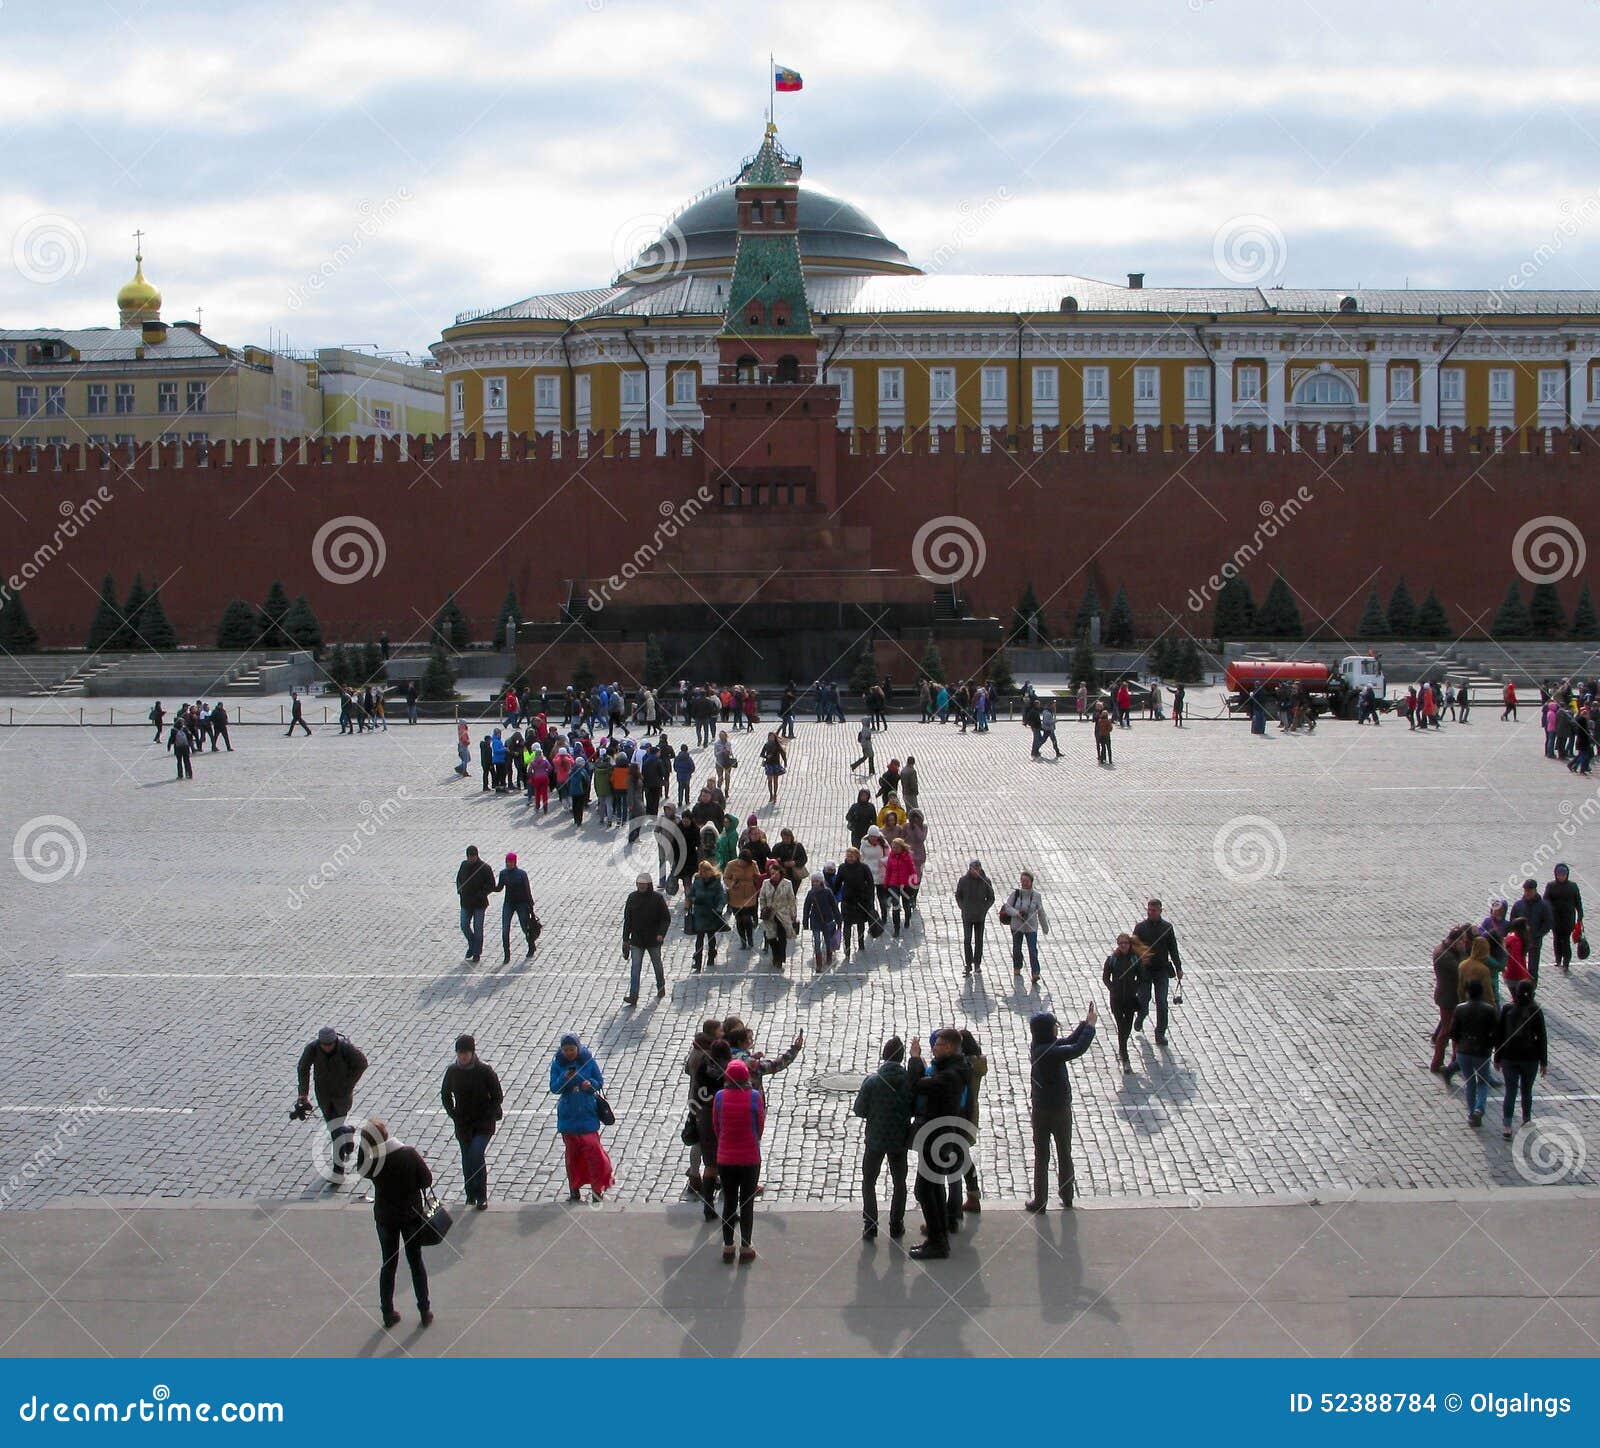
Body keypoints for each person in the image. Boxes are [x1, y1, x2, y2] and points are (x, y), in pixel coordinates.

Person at [357, 1119, 433, 1329]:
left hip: (385, 1217)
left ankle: (387, 1311)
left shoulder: (373, 1163)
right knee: (415, 1261)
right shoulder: (407, 1153)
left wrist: (364, 1148)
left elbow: (360, 1169)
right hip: (411, 1215)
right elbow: (426, 1179)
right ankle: (424, 1309)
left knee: (388, 1264)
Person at [1025, 1004, 1098, 1211]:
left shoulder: (1039, 1046)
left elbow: (1067, 1041)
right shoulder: (1049, 1052)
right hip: (1058, 1109)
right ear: (1049, 1029)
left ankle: (1040, 1201)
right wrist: (1090, 1027)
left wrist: (1084, 1023)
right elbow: (1076, 1048)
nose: (1057, 1028)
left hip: (1040, 1109)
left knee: (1042, 1156)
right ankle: (1066, 1195)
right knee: (1064, 1152)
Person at [905, 1029, 966, 1259]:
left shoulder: (950, 1075)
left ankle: (937, 1242)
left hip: (936, 1135)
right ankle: (938, 1234)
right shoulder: (955, 1068)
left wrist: (914, 1059)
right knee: (934, 1186)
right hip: (940, 1135)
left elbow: (917, 1085)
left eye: (939, 1044)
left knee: (925, 1188)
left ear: (949, 1047)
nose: (935, 1047)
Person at [853, 1036, 912, 1239]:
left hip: (875, 1139)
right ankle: (896, 1224)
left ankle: (870, 1224)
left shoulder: (873, 1081)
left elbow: (859, 1109)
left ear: (884, 1056)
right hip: (899, 1139)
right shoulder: (908, 1080)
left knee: (869, 1181)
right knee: (899, 1182)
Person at [295, 1026, 368, 1181]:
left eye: (330, 1044)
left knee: (335, 1131)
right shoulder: (313, 1048)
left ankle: (338, 1170)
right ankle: (348, 1131)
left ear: (335, 1041)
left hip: (342, 1096)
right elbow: (303, 1067)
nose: (327, 1048)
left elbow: (362, 1063)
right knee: (333, 1128)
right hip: (324, 1095)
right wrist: (303, 1093)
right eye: (324, 1045)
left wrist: (348, 1084)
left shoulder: (346, 1049)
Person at [440, 1033, 503, 1209]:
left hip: (483, 1124)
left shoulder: (484, 1070)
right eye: (460, 1053)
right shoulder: (453, 1071)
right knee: (467, 1159)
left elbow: (497, 1095)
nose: (463, 1056)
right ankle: (470, 1195)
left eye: (466, 1053)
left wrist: (488, 1113)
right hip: (463, 1124)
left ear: (472, 1052)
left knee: (476, 1154)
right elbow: (445, 1095)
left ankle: (481, 1195)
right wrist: (453, 1113)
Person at [713, 1058, 765, 1263]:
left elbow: (716, 1126)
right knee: (747, 1203)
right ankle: (746, 1246)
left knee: (729, 1202)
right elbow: (759, 1125)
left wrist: (725, 1142)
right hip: (750, 1157)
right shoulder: (754, 1097)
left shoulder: (719, 1097)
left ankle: (727, 1246)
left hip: (726, 1158)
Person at [549, 1033, 612, 1202]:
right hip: (568, 1118)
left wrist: (590, 1084)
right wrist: (565, 1078)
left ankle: (597, 1188)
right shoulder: (558, 1065)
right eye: (566, 1050)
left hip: (587, 1115)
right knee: (572, 1157)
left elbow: (599, 1081)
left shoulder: (588, 1062)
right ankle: (574, 1188)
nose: (569, 1053)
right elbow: (555, 1088)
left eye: (571, 1049)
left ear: (578, 1047)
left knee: (594, 1153)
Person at [1495, 979, 1548, 1139]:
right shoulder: (1535, 1010)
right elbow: (1542, 1038)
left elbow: (1500, 1035)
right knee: (1526, 1090)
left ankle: (1507, 1125)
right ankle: (1526, 1120)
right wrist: (1543, 1061)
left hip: (1509, 1057)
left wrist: (1497, 1057)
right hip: (1530, 1057)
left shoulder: (1507, 1009)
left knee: (1510, 1091)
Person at [1132, 898, 1184, 1046]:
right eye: (1149, 910)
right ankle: (1141, 1015)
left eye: (1153, 910)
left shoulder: (1167, 928)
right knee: (1143, 999)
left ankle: (1160, 1033)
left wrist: (1178, 967)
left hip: (1161, 970)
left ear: (1160, 911)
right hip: (1145, 970)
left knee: (1162, 1002)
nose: (1151, 912)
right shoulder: (1140, 928)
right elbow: (1134, 949)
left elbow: (1173, 948)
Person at [1448, 978, 1498, 1128]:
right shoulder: (1489, 1010)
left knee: (1470, 1083)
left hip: (1464, 1051)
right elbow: (1495, 1032)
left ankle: (1471, 1113)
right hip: (1482, 1051)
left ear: (1468, 992)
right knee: (1483, 1082)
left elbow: (1454, 1032)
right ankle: (1479, 1108)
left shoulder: (1460, 1008)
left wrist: (1456, 1050)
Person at [620, 873, 671, 1004]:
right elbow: (628, 920)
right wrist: (625, 939)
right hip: (637, 940)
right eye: (639, 884)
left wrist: (661, 934)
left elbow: (666, 918)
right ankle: (633, 995)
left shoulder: (657, 898)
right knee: (635, 968)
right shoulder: (632, 897)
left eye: (643, 884)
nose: (641, 886)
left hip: (653, 939)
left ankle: (661, 986)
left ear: (648, 885)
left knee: (657, 964)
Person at [1430, 923, 1471, 1073]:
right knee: (1446, 1031)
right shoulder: (1444, 954)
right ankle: (1437, 1062)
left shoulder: (1449, 950)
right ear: (1456, 941)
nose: (1465, 943)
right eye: (1463, 941)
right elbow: (1462, 970)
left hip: (1454, 996)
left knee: (1456, 1031)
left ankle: (1456, 1060)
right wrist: (1463, 953)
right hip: (1448, 997)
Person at [1103, 934, 1146, 1071]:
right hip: (1116, 999)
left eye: (1126, 943)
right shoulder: (1112, 960)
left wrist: (1135, 987)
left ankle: (1122, 1049)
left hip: (1130, 999)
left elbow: (1141, 976)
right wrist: (1112, 988)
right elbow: (1105, 977)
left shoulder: (1135, 959)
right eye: (1121, 943)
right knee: (1121, 1025)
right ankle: (1125, 1056)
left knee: (1127, 1027)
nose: (1123, 945)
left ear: (1129, 944)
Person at [957, 1028, 988, 1215]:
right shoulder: (977, 1064)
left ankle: (970, 1197)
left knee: (961, 1156)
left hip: (960, 1113)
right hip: (971, 1113)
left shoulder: (964, 1066)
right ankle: (972, 1195)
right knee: (963, 1155)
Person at [491, 851, 538, 964]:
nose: (509, 864)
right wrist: (489, 887)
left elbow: (527, 890)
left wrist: (530, 906)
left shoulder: (521, 874)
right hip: (509, 903)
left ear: (515, 862)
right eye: (507, 862)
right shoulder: (503, 874)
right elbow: (499, 887)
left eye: (511, 862)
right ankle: (507, 954)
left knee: (524, 927)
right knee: (505, 928)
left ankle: (531, 945)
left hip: (521, 903)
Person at [1002, 870, 1048, 983]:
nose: (1024, 883)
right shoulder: (1016, 894)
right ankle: (1017, 966)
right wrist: (1016, 913)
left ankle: (1035, 972)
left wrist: (1045, 927)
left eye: (1026, 881)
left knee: (1032, 950)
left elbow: (1041, 912)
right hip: (1017, 926)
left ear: (1031, 882)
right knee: (1017, 948)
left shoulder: (1037, 896)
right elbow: (1007, 907)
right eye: (1022, 881)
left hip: (1031, 927)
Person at [454, 845, 495, 965]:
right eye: (469, 857)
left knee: (478, 928)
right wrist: (459, 889)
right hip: (466, 902)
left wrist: (481, 894)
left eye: (473, 856)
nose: (471, 859)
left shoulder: (485, 868)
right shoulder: (464, 865)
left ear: (477, 855)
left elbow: (491, 885)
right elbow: (459, 879)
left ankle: (476, 952)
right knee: (464, 925)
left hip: (479, 904)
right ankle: (472, 945)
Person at [686, 859, 729, 972]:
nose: (703, 873)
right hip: (700, 913)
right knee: (699, 938)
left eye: (705, 871)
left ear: (710, 871)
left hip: (711, 913)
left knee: (711, 936)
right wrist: (695, 900)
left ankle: (711, 955)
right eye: (701, 871)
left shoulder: (716, 882)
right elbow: (691, 894)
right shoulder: (697, 881)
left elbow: (722, 896)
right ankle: (698, 962)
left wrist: (719, 909)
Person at [1510, 878, 1554, 982]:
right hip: (1519, 941)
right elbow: (1512, 921)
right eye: (1525, 890)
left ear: (1535, 890)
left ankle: (1531, 990)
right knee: (1519, 965)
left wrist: (1538, 934)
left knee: (1533, 968)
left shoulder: (1543, 905)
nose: (1527, 893)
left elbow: (1548, 923)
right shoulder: (1518, 905)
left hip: (1535, 941)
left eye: (1529, 890)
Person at [956, 859, 995, 975]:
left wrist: (984, 909)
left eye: (977, 869)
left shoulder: (985, 881)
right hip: (967, 915)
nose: (975, 871)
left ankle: (977, 963)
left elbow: (991, 897)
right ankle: (968, 964)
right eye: (973, 869)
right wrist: (963, 907)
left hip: (979, 916)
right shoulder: (963, 881)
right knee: (967, 939)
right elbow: (958, 895)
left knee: (979, 940)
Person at [838, 847, 878, 960]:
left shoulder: (864, 868)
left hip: (861, 900)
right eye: (848, 856)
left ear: (857, 857)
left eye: (851, 856)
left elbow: (870, 884)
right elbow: (837, 883)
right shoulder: (842, 868)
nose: (849, 858)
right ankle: (847, 947)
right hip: (847, 901)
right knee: (847, 925)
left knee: (861, 924)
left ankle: (861, 942)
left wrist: (870, 899)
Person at [758, 859, 798, 970]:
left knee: (782, 937)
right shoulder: (766, 883)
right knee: (770, 937)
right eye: (771, 873)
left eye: (775, 872)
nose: (773, 875)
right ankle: (775, 954)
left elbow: (792, 899)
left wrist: (793, 913)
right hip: (770, 914)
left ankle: (780, 958)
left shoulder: (787, 884)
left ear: (780, 872)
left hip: (783, 914)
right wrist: (763, 909)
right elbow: (762, 898)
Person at [1543, 864, 1583, 973]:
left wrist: (1580, 916)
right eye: (1559, 875)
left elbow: (1578, 902)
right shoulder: (1551, 886)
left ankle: (1566, 962)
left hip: (1568, 919)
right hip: (1555, 918)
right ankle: (1558, 958)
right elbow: (1545, 901)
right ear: (1556, 875)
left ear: (1567, 875)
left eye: (1563, 875)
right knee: (1556, 939)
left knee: (1565, 940)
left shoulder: (1573, 886)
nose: (1561, 877)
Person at [722, 847, 762, 950]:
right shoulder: (731, 865)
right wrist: (732, 884)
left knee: (747, 919)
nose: (742, 864)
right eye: (741, 861)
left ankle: (750, 938)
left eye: (744, 862)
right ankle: (742, 940)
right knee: (739, 919)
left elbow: (757, 876)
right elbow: (726, 877)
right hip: (736, 895)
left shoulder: (753, 864)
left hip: (749, 895)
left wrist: (756, 880)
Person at [803, 870, 841, 972]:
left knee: (828, 940)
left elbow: (834, 906)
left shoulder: (828, 892)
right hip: (815, 920)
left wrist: (838, 920)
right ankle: (819, 964)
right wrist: (805, 922)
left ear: (821, 881)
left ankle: (829, 956)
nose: (815, 883)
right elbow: (806, 907)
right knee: (817, 941)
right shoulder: (811, 893)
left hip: (827, 920)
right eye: (813, 881)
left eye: (817, 881)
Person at [883, 837, 919, 938]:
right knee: (895, 906)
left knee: (906, 905)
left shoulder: (907, 857)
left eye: (896, 847)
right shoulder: (891, 856)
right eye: (893, 847)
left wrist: (914, 883)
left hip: (905, 885)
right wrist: (886, 883)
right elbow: (888, 871)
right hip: (893, 884)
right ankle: (897, 928)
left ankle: (907, 919)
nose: (894, 849)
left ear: (901, 847)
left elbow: (912, 871)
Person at [760, 731, 787, 805]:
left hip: (776, 764)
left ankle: (775, 794)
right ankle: (771, 794)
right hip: (769, 764)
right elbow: (762, 754)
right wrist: (766, 756)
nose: (771, 738)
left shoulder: (777, 745)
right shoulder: (766, 745)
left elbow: (782, 753)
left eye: (772, 737)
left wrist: (785, 762)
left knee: (775, 781)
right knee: (769, 780)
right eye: (770, 737)